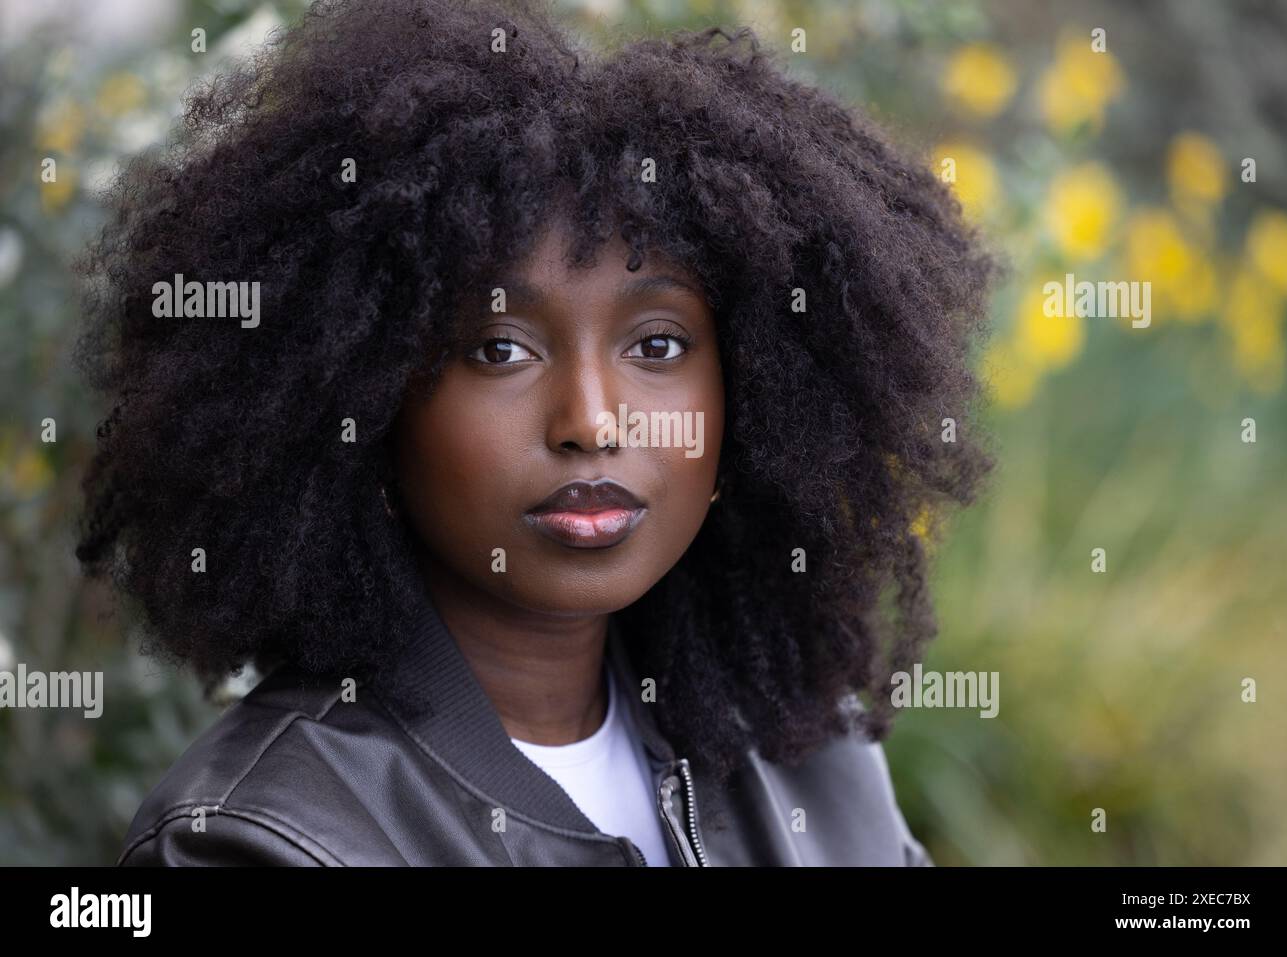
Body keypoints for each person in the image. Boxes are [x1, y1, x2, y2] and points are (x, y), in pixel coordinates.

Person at [73, 0, 997, 866]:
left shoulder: (816, 764)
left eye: (659, 342)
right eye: (498, 349)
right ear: (361, 401)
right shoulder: (267, 840)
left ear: (752, 392)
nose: (592, 421)